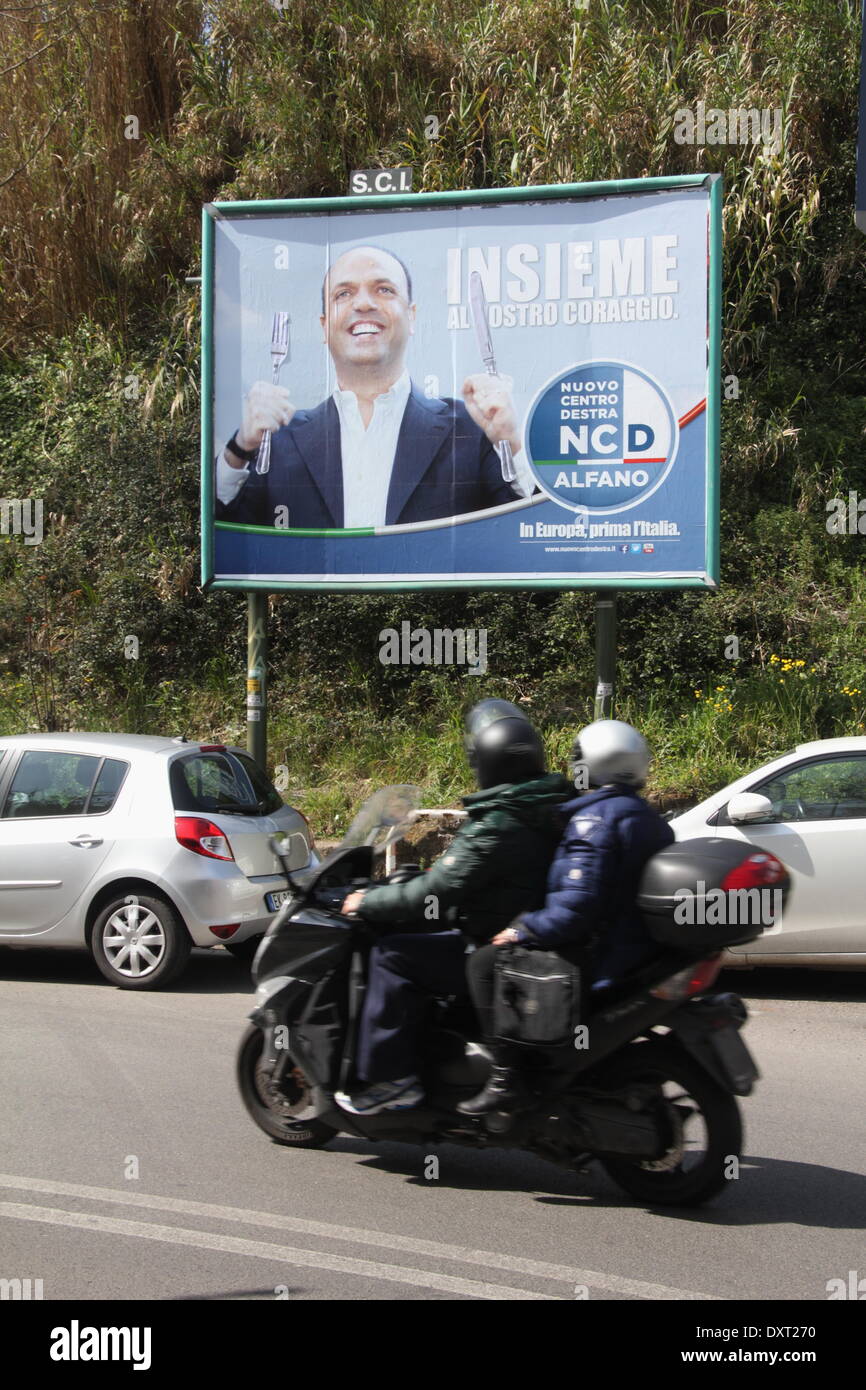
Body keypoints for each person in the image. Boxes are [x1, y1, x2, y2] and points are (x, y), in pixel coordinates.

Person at [332, 700, 571, 1115]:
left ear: (490, 765)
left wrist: (368, 900)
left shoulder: (501, 820)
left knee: (393, 956)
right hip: (521, 932)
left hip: (490, 944)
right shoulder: (545, 803)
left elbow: (439, 889)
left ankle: (393, 1079)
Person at [215, 245, 529, 529]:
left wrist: (513, 443)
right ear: (325, 326)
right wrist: (238, 448)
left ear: (412, 316)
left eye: (383, 289)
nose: (364, 303)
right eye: (344, 294)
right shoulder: (277, 439)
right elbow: (227, 538)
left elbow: (529, 536)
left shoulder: (472, 430)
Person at [458, 718, 675, 1116]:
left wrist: (522, 930)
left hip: (598, 952)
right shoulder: (645, 817)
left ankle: (506, 1077)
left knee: (483, 962)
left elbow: (576, 909)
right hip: (632, 946)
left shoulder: (593, 821)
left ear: (590, 766)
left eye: (577, 761)